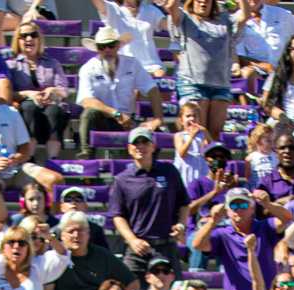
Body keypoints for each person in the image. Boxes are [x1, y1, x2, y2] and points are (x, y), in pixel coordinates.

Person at [163, 0, 245, 142]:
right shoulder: (185, 17)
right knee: (196, 133)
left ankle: (209, 164)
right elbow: (171, 6)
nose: (203, 2)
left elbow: (245, 15)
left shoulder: (224, 18)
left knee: (214, 135)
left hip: (220, 84)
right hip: (192, 82)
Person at [76, 27, 164, 159]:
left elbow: (152, 89)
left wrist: (158, 119)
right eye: (102, 47)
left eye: (110, 45)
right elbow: (86, 100)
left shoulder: (132, 64)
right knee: (89, 113)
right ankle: (87, 155)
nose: (107, 50)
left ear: (118, 46)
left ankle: (148, 170)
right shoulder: (88, 68)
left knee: (156, 134)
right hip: (103, 120)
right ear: (97, 49)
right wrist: (115, 113)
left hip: (129, 120)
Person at [111, 127, 189, 275]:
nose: (140, 146)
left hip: (167, 246)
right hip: (138, 249)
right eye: (136, 143)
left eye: (145, 142)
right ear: (129, 149)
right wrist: (132, 240)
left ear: (153, 146)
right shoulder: (121, 180)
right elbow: (117, 215)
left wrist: (181, 224)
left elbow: (183, 203)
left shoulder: (170, 171)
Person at [7, 21, 73, 162]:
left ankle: (53, 160)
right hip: (27, 115)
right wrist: (28, 94)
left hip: (50, 113)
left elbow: (65, 90)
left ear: (39, 39)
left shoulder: (52, 63)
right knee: (29, 107)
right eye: (24, 36)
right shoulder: (11, 65)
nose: (29, 39)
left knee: (54, 111)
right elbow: (8, 93)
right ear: (17, 40)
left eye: (33, 35)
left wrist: (53, 90)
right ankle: (29, 159)